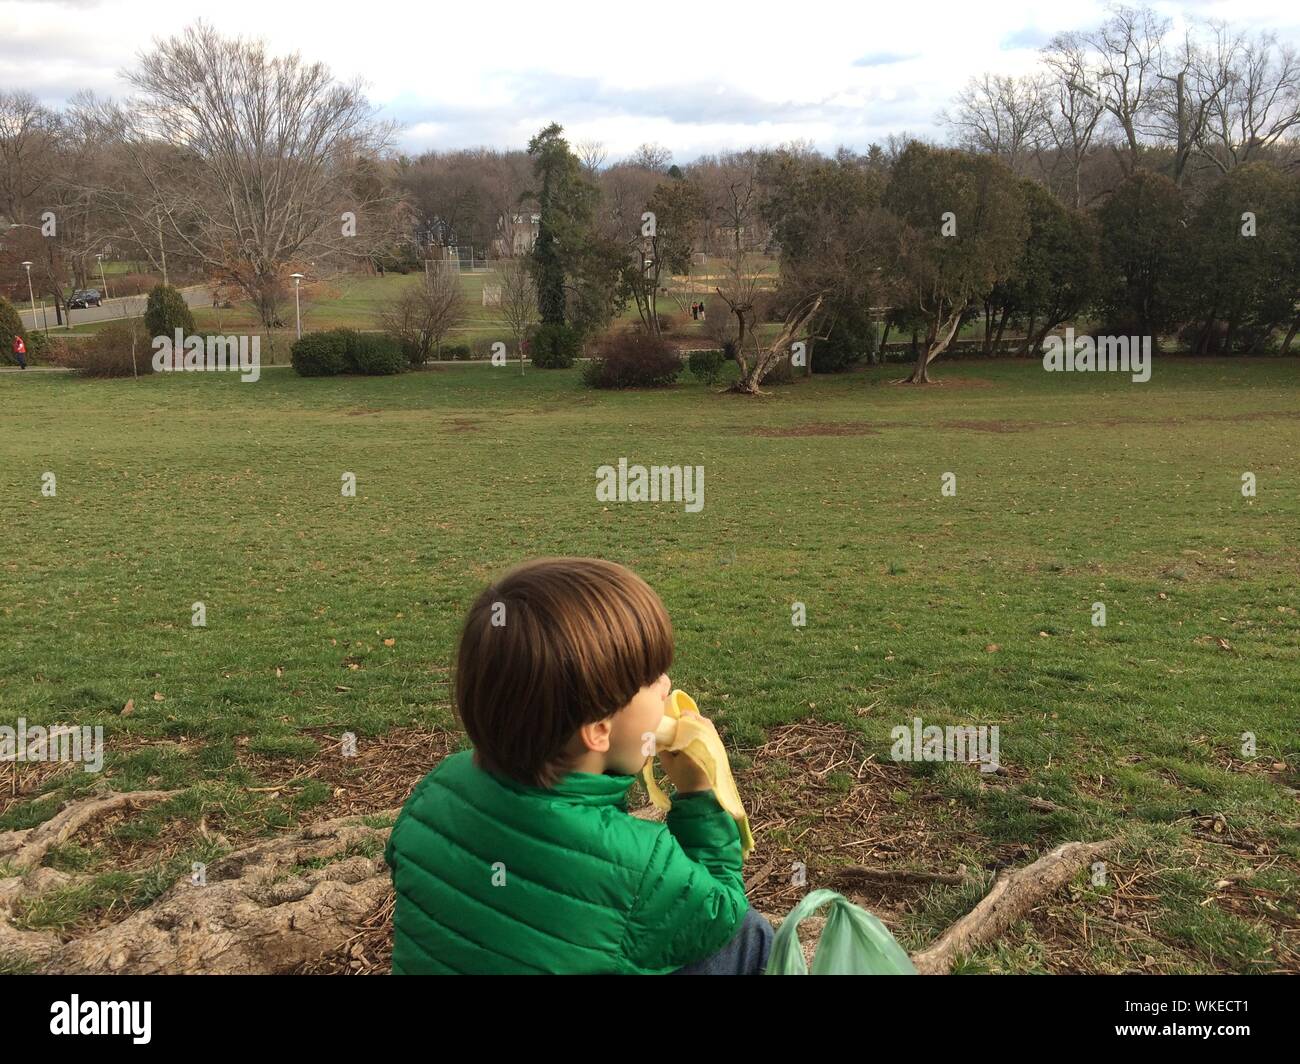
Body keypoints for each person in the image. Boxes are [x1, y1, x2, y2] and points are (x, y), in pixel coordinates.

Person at [385, 557, 772, 974]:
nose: (666, 686)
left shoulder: (436, 791)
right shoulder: (641, 862)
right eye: (652, 678)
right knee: (748, 934)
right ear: (599, 731)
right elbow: (719, 912)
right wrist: (699, 795)